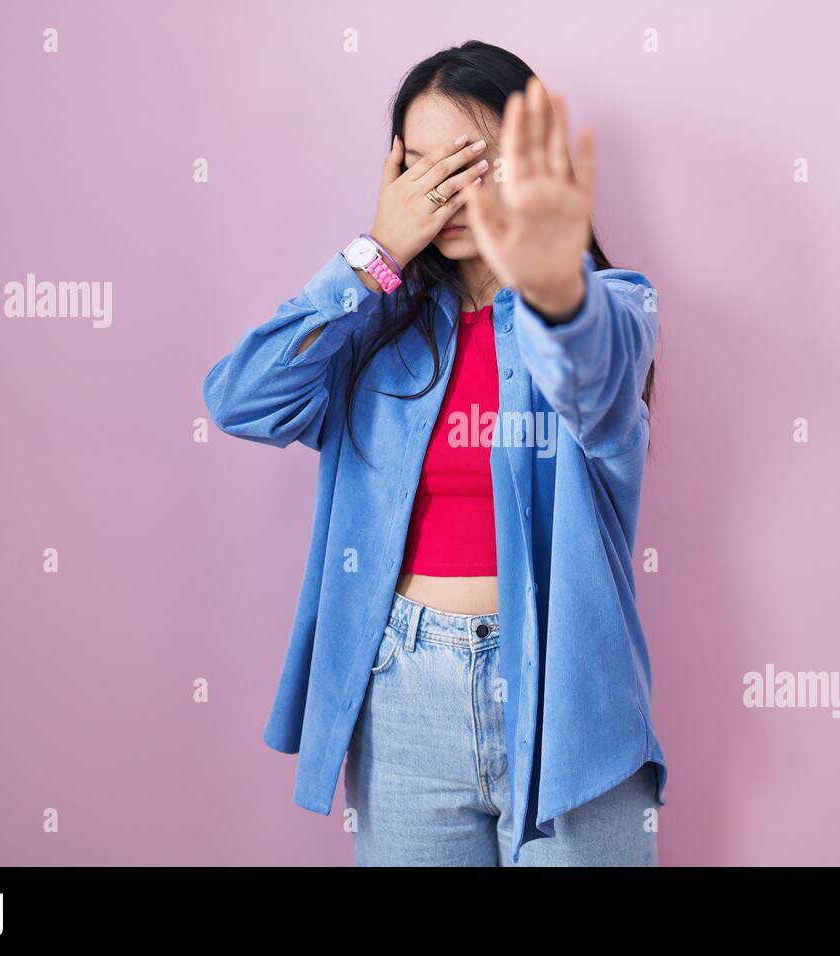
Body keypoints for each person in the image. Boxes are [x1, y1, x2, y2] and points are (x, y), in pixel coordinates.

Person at [202, 40, 666, 866]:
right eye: (421, 166)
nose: (447, 192)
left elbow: (595, 374)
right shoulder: (376, 331)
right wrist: (373, 256)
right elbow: (241, 399)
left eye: (472, 162)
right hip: (404, 699)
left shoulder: (615, 307)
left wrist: (556, 284)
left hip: (568, 702)